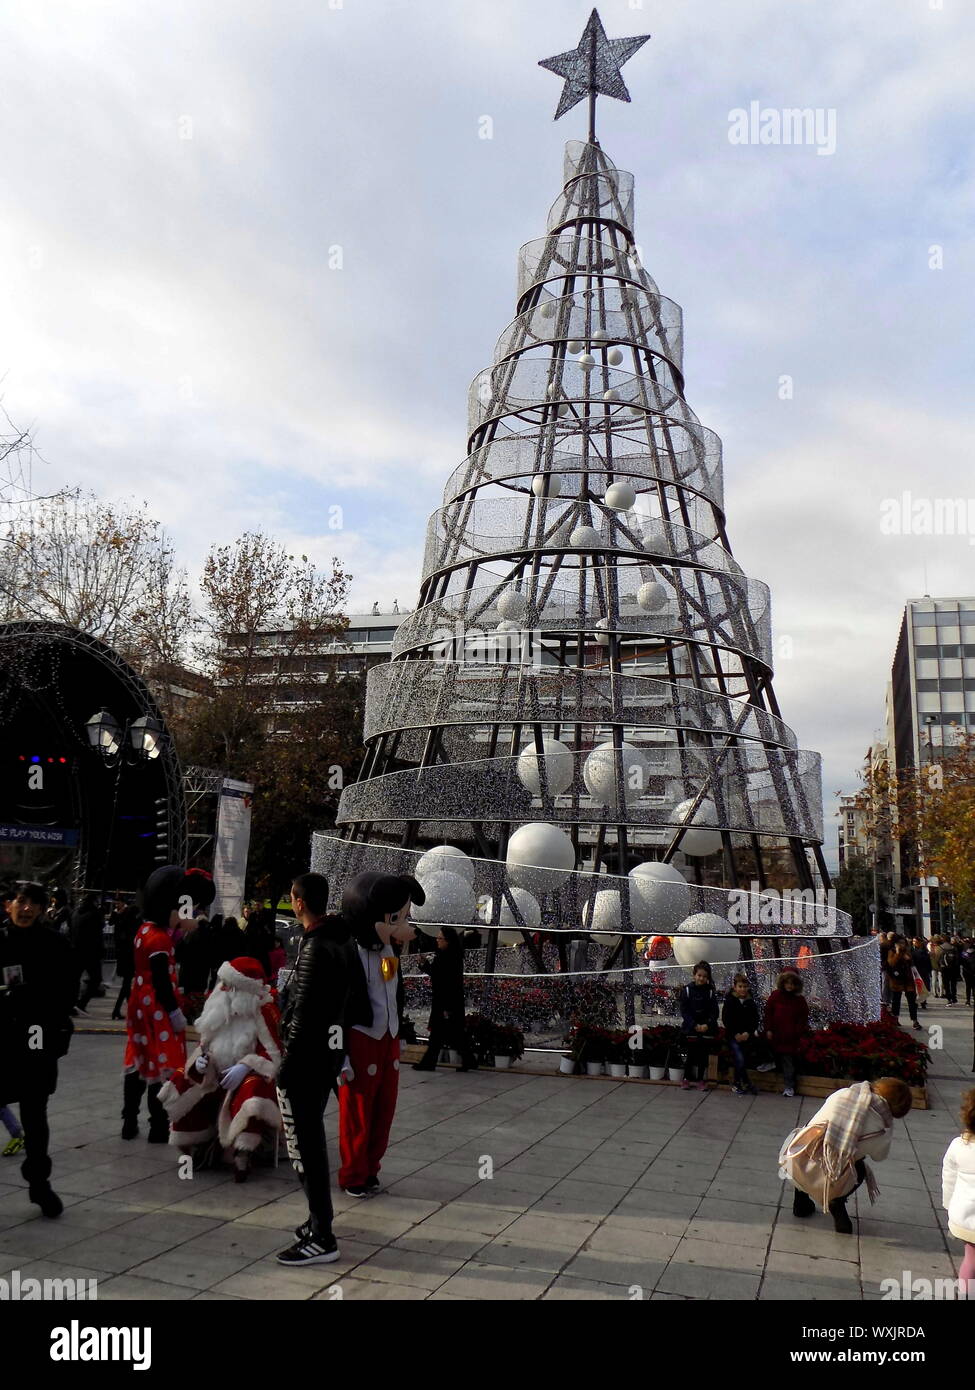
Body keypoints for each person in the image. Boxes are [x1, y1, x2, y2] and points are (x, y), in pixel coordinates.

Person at [275, 871, 357, 1268]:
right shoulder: (343, 940)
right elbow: (354, 1002)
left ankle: (323, 1235)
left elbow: (305, 1013)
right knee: (311, 1139)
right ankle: (316, 1221)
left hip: (305, 1063)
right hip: (326, 1057)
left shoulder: (316, 946)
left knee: (303, 1145)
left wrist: (285, 1069)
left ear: (299, 900)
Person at [160, 956, 283, 1182]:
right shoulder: (219, 1006)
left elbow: (273, 1056)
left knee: (253, 1090)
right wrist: (201, 1062)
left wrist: (246, 1067)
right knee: (183, 1077)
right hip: (215, 1074)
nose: (223, 989)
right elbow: (204, 1045)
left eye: (230, 985)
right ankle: (193, 1146)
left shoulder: (262, 1011)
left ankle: (242, 1152)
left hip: (246, 1075)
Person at [339, 872, 424, 1196]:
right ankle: (353, 1173)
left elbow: (392, 993)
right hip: (362, 1037)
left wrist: (399, 1032)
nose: (403, 925)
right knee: (358, 1112)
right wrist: (340, 1053)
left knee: (384, 1109)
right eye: (394, 918)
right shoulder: (350, 955)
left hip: (386, 1038)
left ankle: (371, 1168)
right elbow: (341, 1005)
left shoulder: (390, 955)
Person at [0, 881, 79, 1217]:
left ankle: (39, 1183)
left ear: (44, 908)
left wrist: (36, 1002)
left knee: (35, 1114)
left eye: (34, 902)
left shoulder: (55, 944)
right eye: (21, 900)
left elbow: (67, 994)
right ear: (9, 905)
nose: (26, 907)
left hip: (36, 1036)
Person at [121, 865, 215, 1143]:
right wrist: (174, 1011)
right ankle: (158, 1125)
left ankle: (128, 1121)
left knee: (138, 1062)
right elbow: (161, 979)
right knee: (162, 1066)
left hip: (139, 1005)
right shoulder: (159, 939)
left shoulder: (144, 931)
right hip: (157, 1010)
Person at [781, 1076, 912, 1233]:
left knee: (816, 1147)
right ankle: (837, 1201)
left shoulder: (843, 1093)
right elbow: (879, 1157)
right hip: (828, 1179)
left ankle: (801, 1203)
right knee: (859, 1167)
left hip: (793, 1160)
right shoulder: (883, 1130)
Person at [412, 926, 477, 1073]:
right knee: (452, 1035)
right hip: (445, 1001)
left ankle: (429, 1063)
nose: (437, 940)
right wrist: (425, 966)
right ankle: (468, 1059)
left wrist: (447, 1008)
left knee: (441, 1035)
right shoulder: (445, 955)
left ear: (448, 941)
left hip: (447, 1002)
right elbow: (437, 974)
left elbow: (445, 979)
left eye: (440, 938)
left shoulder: (450, 957)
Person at [941, 1088, 975, 1292]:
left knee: (971, 1258)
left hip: (963, 1219)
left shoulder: (958, 1145)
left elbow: (949, 1179)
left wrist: (948, 1205)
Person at [764, 969, 810, 1097]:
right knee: (772, 1052)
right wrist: (768, 1029)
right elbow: (768, 1013)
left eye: (792, 983)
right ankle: (769, 1064)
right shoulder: (775, 996)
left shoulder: (799, 1000)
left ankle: (789, 1086)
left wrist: (797, 1032)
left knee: (788, 1062)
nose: (789, 986)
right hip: (776, 1034)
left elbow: (803, 1018)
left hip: (790, 1037)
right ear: (783, 983)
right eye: (787, 983)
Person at [678, 961, 719, 1092]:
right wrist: (694, 1024)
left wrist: (707, 1024)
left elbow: (715, 1011)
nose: (701, 978)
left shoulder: (711, 992)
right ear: (694, 975)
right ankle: (686, 1078)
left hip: (706, 1028)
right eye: (699, 975)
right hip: (691, 1028)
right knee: (690, 1055)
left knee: (703, 1055)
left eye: (704, 976)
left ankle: (701, 1079)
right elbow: (684, 1011)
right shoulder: (687, 990)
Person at [722, 972, 760, 1096]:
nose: (742, 989)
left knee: (742, 1060)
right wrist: (735, 1034)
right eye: (740, 986)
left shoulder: (750, 1003)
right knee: (739, 1058)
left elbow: (754, 1020)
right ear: (735, 987)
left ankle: (741, 1082)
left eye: (744, 986)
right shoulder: (730, 1001)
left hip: (746, 1037)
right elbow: (727, 1019)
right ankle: (744, 1082)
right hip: (733, 1036)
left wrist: (748, 1033)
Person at [71, 892, 105, 1013]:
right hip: (91, 952)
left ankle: (71, 1004)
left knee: (74, 979)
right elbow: (98, 933)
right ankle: (82, 1003)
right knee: (96, 979)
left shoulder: (76, 913)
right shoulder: (95, 914)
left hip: (76, 950)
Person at [175, 912, 212, 1022]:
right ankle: (198, 1014)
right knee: (199, 992)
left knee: (188, 992)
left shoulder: (190, 934)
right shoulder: (209, 935)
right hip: (202, 970)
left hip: (188, 969)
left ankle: (187, 1014)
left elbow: (180, 950)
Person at [111, 899, 140, 1020]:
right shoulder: (133, 925)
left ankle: (127, 1009)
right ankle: (117, 1010)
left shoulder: (122, 921)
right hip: (129, 957)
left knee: (126, 985)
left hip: (123, 956)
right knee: (126, 985)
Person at [885, 939, 922, 1030]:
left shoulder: (907, 952)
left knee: (912, 1001)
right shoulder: (892, 952)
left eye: (903, 944)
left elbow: (913, 964)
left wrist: (909, 959)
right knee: (896, 1000)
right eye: (899, 943)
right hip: (896, 980)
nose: (902, 945)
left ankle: (914, 1020)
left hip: (908, 979)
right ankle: (895, 1019)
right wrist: (897, 954)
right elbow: (891, 963)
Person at [911, 936, 932, 1011]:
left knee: (923, 988)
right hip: (916, 972)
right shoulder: (912, 950)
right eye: (913, 941)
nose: (914, 943)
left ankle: (923, 1002)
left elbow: (928, 962)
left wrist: (929, 970)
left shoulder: (924, 951)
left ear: (919, 942)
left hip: (923, 972)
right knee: (916, 988)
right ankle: (916, 1003)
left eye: (915, 942)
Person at [941, 936, 962, 1007]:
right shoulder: (954, 948)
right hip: (953, 968)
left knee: (946, 984)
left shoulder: (940, 947)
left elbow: (938, 958)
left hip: (944, 969)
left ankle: (948, 998)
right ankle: (954, 997)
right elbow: (957, 959)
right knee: (953, 983)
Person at [960, 940, 975, 1009]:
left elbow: (961, 962)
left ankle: (968, 1000)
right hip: (974, 972)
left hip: (966, 972)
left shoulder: (964, 953)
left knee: (968, 986)